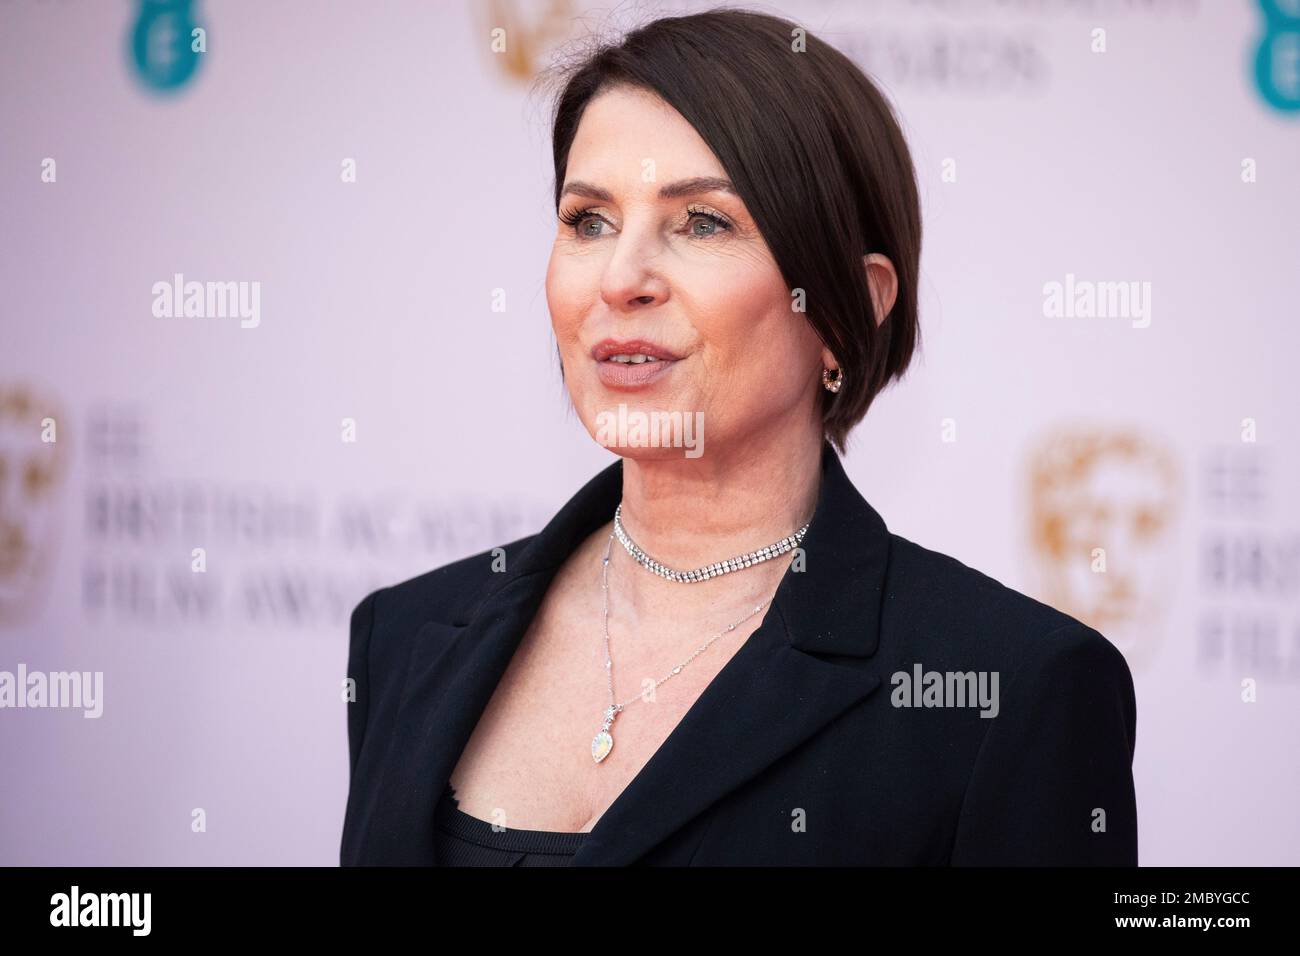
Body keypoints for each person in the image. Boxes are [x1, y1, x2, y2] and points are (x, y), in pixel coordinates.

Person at [340, 8, 1137, 866]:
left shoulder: (1012, 690)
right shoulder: (406, 636)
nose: (621, 278)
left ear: (848, 307)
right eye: (588, 221)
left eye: (702, 223)